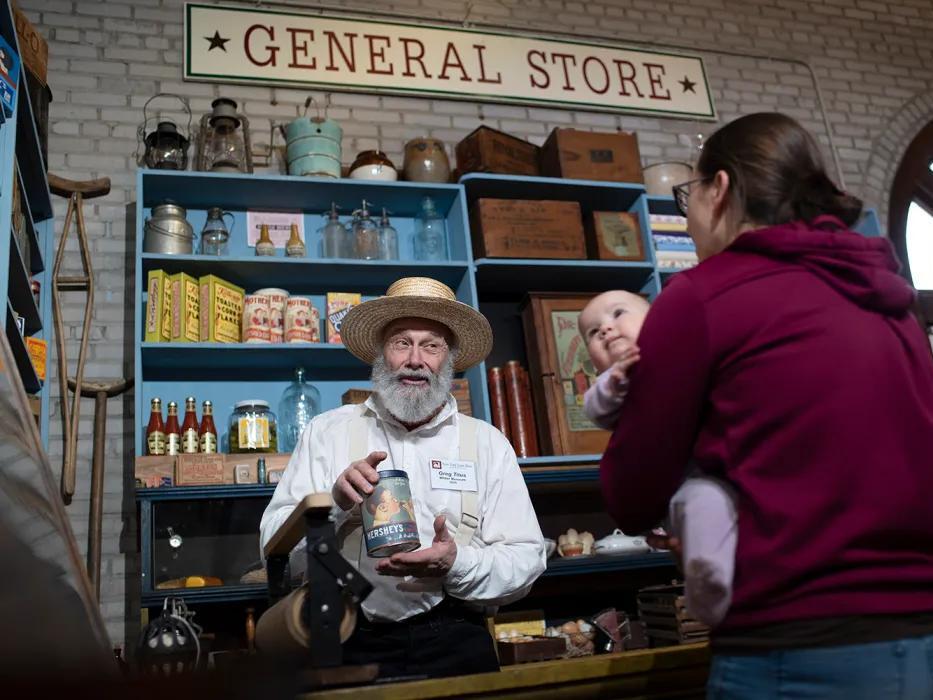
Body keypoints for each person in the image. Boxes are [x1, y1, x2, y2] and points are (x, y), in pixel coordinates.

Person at [599, 112, 933, 699]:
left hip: (796, 643)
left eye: (688, 197)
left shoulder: (703, 296)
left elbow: (632, 494)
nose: (688, 216)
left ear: (720, 189)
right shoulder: (889, 301)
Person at [260, 276, 546, 679]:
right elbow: (273, 550)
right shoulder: (327, 433)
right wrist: (332, 505)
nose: (415, 359)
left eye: (431, 345)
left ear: (449, 360)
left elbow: (526, 561)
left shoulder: (487, 444)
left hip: (455, 637)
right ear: (381, 354)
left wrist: (455, 563)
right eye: (401, 342)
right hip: (346, 638)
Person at [579, 290, 737, 626]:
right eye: (593, 332)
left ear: (658, 322)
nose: (606, 330)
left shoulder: (676, 354)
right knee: (699, 510)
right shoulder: (611, 381)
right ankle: (706, 584)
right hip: (686, 482)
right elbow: (595, 409)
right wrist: (616, 384)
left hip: (723, 465)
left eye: (618, 314)